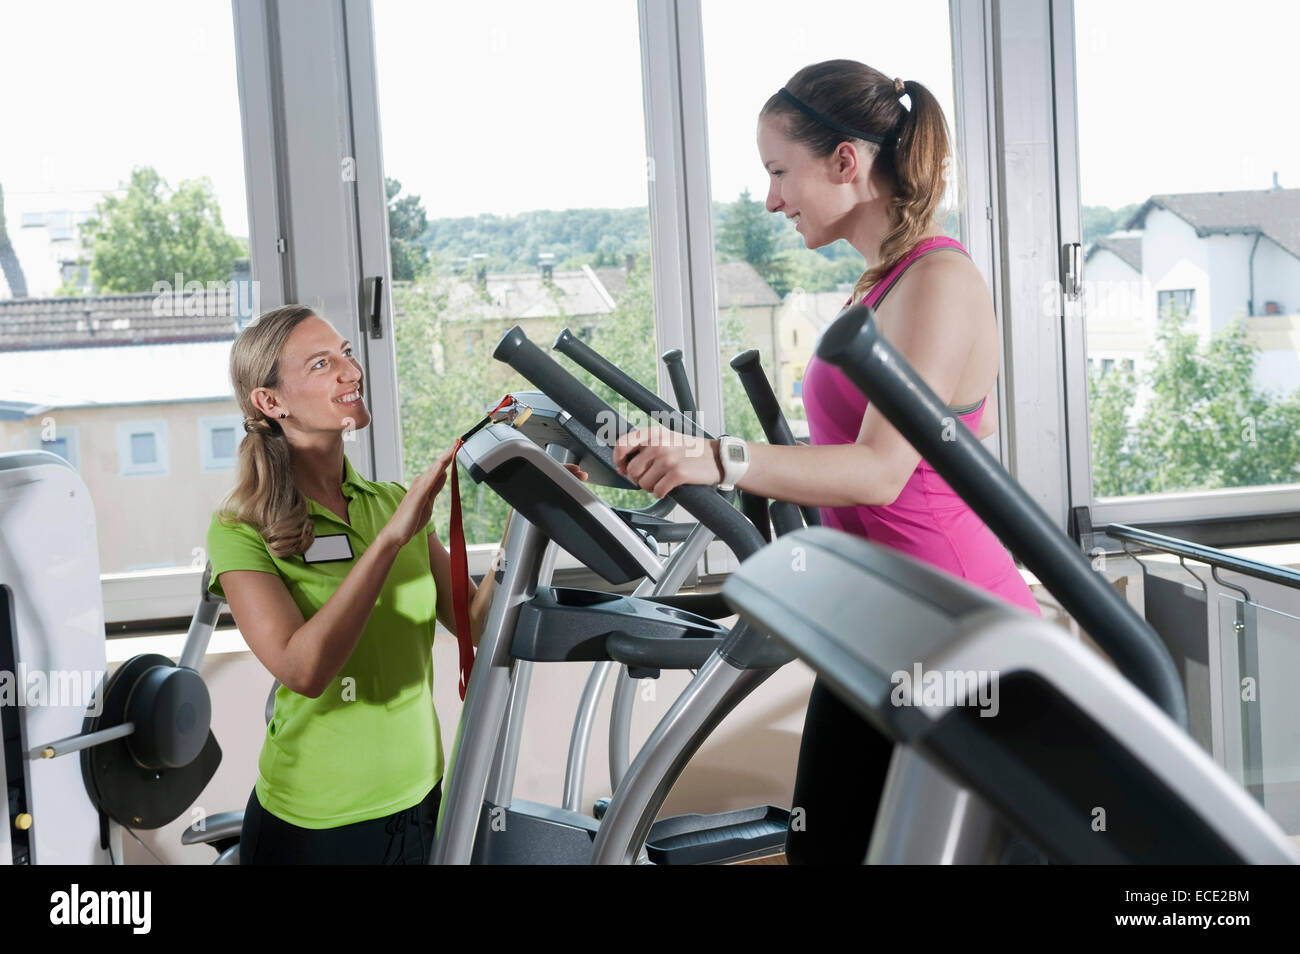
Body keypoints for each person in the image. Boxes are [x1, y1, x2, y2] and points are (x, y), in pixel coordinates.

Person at [610, 59, 1041, 864]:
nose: (772, 199)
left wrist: (719, 458)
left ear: (846, 161)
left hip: (957, 632)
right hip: (881, 620)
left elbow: (880, 471)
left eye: (780, 172)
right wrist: (701, 458)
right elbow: (845, 457)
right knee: (828, 846)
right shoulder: (876, 285)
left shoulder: (938, 281)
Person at [207, 305, 580, 864]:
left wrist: (522, 521)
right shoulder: (240, 529)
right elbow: (303, 671)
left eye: (348, 354)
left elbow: (472, 622)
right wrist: (389, 540)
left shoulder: (387, 502)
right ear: (271, 402)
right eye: (321, 363)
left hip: (421, 797)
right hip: (317, 821)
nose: (350, 371)